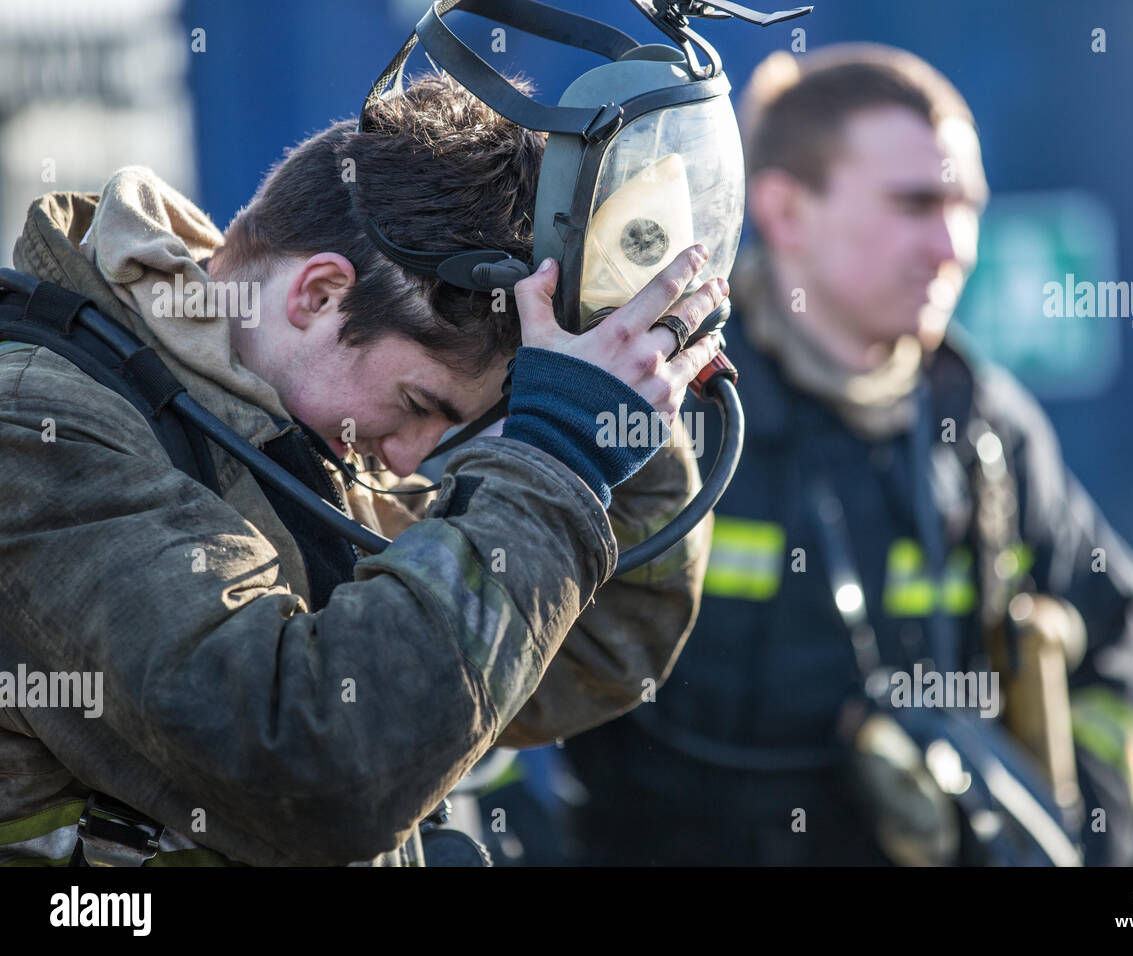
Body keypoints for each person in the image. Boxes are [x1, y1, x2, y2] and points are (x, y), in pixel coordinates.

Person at [0, 72, 727, 866]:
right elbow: (314, 768)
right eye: (419, 401)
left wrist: (613, 363)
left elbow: (597, 646)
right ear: (317, 295)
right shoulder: (42, 434)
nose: (414, 454)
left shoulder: (282, 442)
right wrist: (560, 452)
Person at [564, 44, 1133, 866]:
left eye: (967, 206)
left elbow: (1111, 657)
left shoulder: (989, 430)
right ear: (783, 211)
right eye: (915, 204)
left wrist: (1077, 830)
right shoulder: (667, 411)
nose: (953, 245)